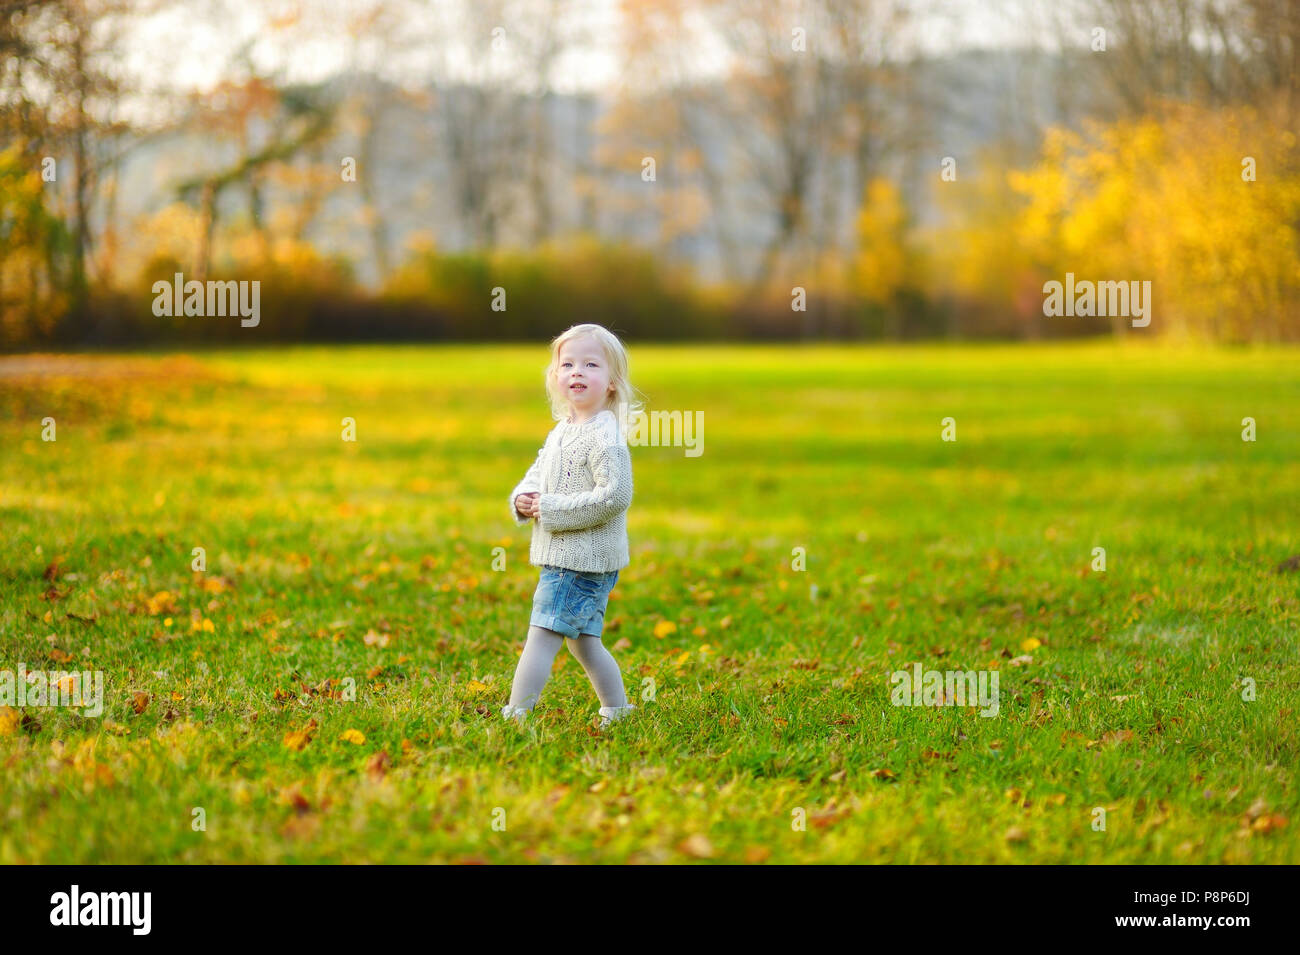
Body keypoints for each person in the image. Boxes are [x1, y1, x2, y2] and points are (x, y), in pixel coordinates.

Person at [503, 323, 641, 729]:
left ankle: (516, 714)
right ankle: (617, 711)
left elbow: (615, 496)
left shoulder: (605, 437)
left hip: (579, 561)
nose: (577, 372)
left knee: (541, 637)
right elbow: (539, 473)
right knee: (584, 643)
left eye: (591, 364)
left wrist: (551, 508)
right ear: (556, 376)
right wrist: (524, 499)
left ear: (612, 383)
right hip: (568, 557)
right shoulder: (564, 430)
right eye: (568, 364)